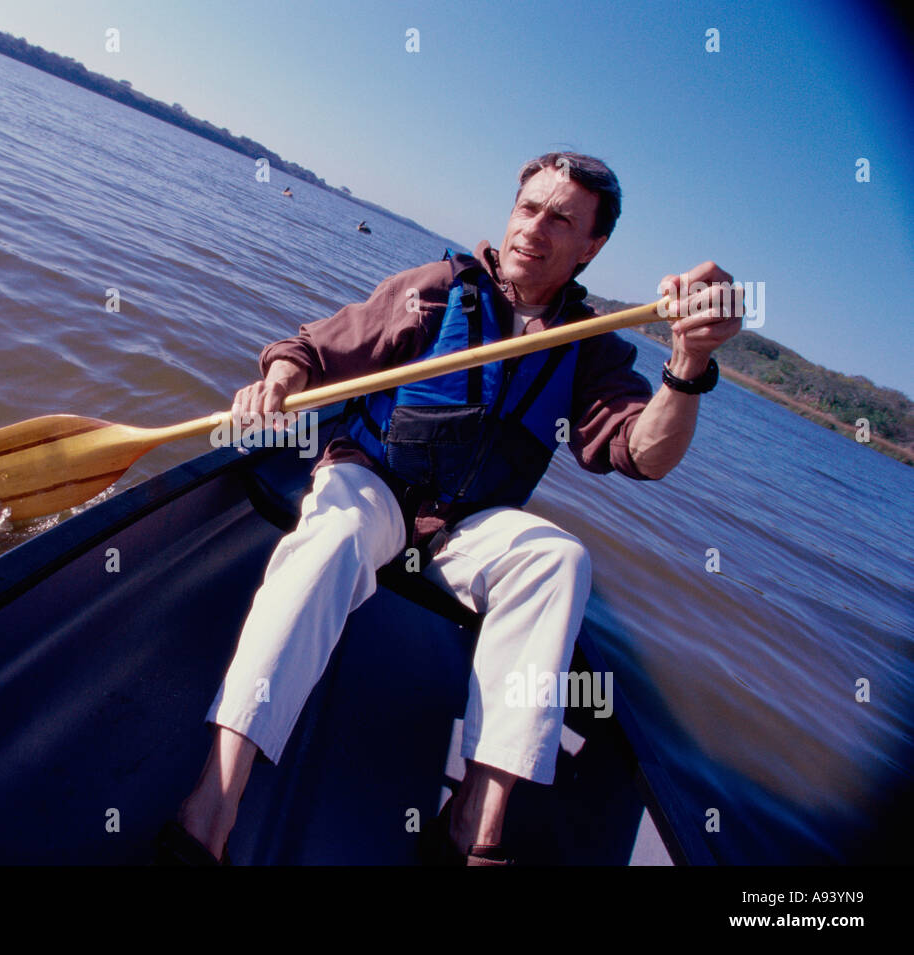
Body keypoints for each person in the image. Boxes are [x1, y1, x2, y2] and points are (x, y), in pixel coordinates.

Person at [155, 152, 742, 865]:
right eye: (529, 208)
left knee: (560, 557)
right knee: (333, 533)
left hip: (464, 529)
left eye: (562, 219)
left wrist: (686, 367)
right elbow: (312, 350)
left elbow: (643, 454)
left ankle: (473, 827)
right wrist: (276, 380)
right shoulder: (436, 291)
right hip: (372, 485)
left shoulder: (592, 350)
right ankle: (210, 809)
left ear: (592, 247)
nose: (535, 227)